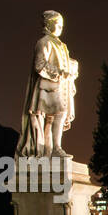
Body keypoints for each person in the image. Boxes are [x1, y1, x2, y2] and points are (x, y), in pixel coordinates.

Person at [16, 10, 79, 158]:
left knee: (56, 117)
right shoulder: (43, 42)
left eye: (62, 25)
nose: (61, 28)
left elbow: (64, 61)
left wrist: (72, 66)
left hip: (61, 86)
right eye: (58, 24)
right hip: (47, 87)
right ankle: (54, 148)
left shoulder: (62, 45)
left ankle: (51, 149)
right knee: (57, 114)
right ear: (49, 24)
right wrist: (59, 72)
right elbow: (39, 65)